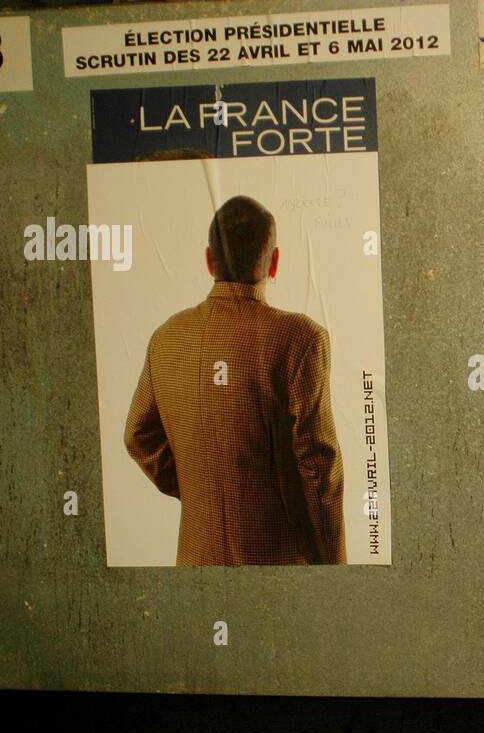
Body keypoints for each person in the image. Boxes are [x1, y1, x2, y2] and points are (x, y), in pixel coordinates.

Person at [124, 195, 346, 565]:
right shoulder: (300, 338)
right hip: (280, 564)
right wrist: (335, 569)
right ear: (274, 262)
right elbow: (319, 468)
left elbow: (138, 436)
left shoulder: (167, 337)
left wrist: (201, 491)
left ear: (210, 260)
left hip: (196, 558)